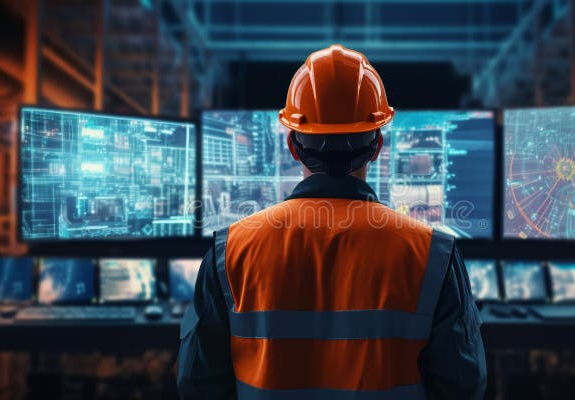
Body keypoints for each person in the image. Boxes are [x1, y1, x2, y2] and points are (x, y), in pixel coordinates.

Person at [177, 44, 486, 400]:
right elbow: (464, 386)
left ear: (293, 146)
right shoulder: (434, 254)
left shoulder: (228, 252)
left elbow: (196, 384)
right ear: (377, 145)